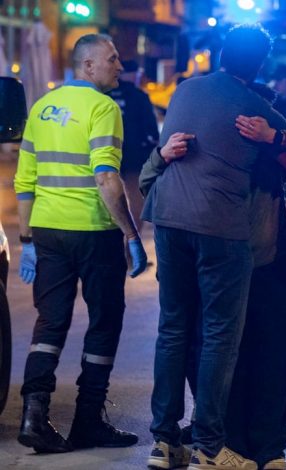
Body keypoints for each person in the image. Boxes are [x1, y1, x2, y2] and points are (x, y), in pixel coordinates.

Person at [144, 24, 286, 470]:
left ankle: (165, 443)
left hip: (169, 219)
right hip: (220, 228)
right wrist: (272, 135)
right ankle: (209, 447)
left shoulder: (185, 89)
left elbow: (168, 149)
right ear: (259, 65)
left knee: (172, 329)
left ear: (222, 54)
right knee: (219, 336)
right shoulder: (253, 104)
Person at [14, 33, 147, 454]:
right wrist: (131, 234)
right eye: (113, 59)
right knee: (105, 320)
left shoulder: (41, 107)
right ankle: (88, 421)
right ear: (88, 65)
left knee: (50, 322)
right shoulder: (103, 107)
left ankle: (34, 416)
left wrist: (26, 238)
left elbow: (24, 180)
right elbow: (107, 178)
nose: (119, 67)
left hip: (47, 231)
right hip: (93, 231)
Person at [108, 59, 159, 235]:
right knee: (135, 198)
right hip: (134, 156)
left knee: (109, 194)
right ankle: (132, 240)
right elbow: (152, 130)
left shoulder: (104, 95)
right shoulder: (138, 95)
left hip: (107, 154)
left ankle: (115, 238)